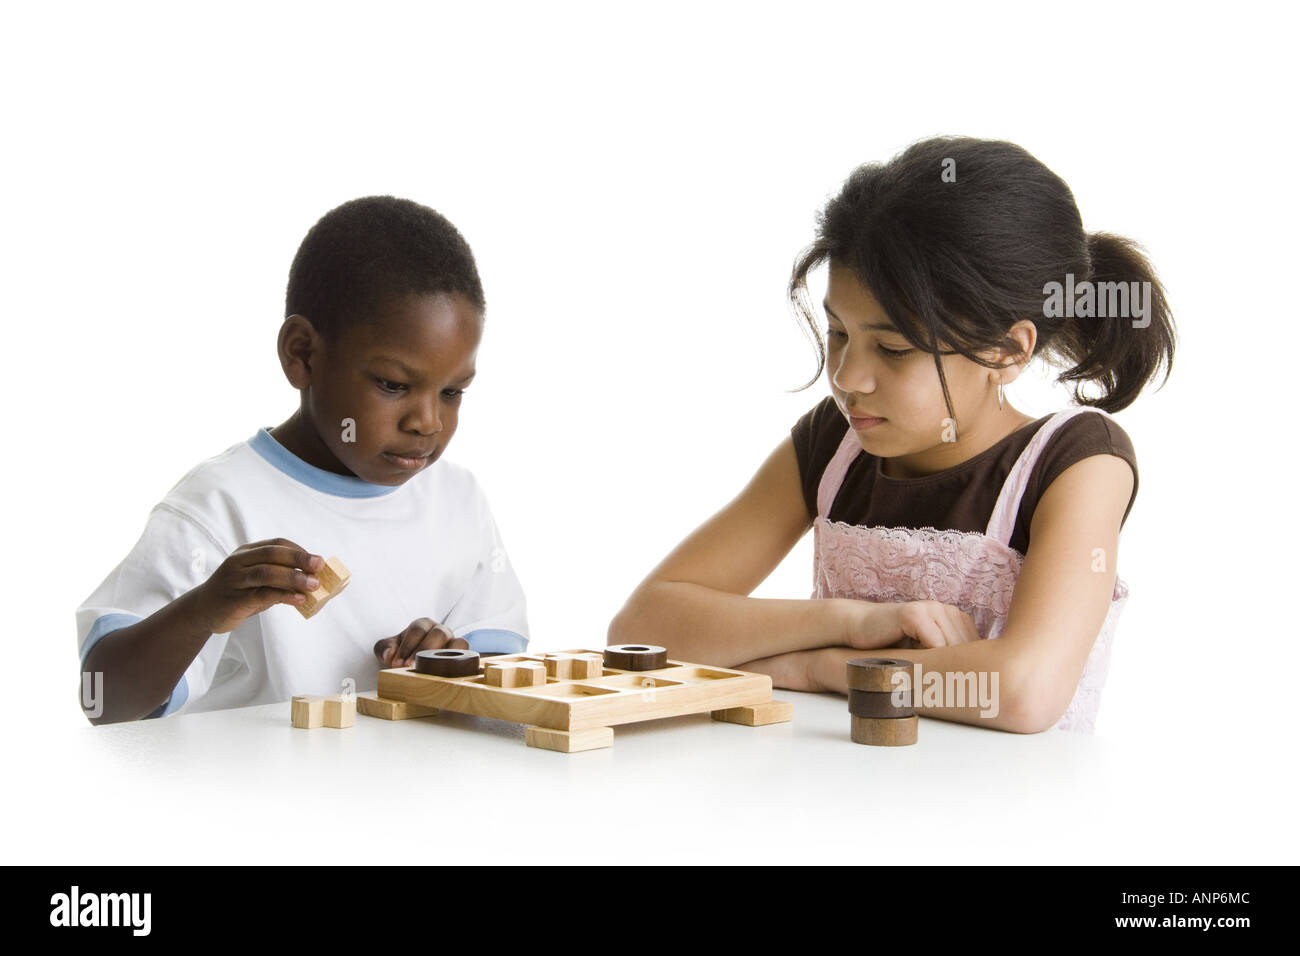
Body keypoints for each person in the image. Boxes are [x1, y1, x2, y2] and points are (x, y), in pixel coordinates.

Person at [609, 137, 1176, 733]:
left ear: (1006, 351)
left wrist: (819, 668)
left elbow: (1023, 690)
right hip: (842, 799)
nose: (848, 377)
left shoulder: (1076, 461)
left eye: (894, 349)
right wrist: (854, 623)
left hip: (1011, 816)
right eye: (837, 333)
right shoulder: (835, 447)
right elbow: (642, 628)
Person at [76, 196, 529, 723]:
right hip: (255, 803)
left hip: (418, 801)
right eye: (393, 384)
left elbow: (504, 672)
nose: (427, 422)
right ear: (303, 354)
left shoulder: (459, 501)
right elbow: (103, 700)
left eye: (452, 392)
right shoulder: (221, 505)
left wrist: (448, 662)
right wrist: (206, 608)